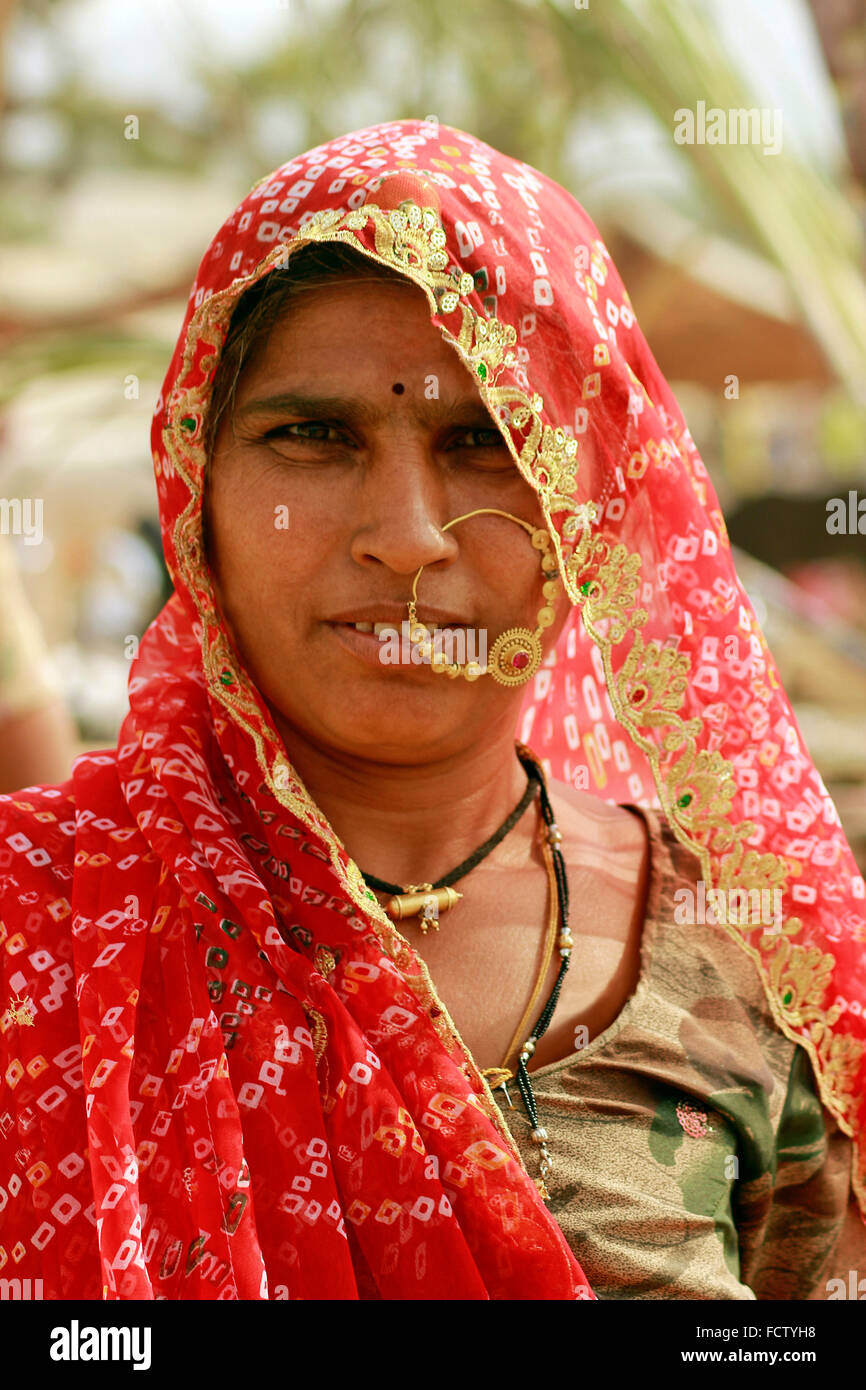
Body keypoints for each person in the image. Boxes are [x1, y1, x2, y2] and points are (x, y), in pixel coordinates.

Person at [1, 119, 864, 1302]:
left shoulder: (747, 952)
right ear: (193, 486)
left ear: (584, 506)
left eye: (483, 442)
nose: (407, 534)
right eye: (312, 435)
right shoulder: (40, 927)